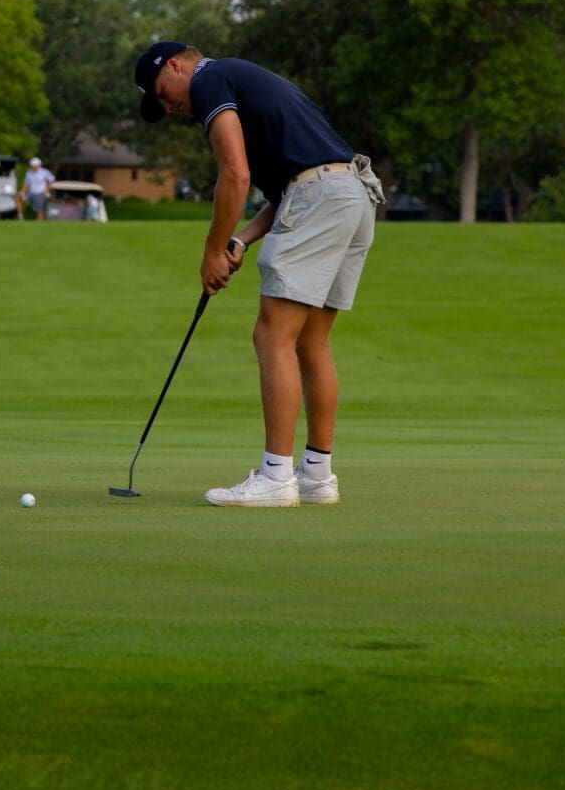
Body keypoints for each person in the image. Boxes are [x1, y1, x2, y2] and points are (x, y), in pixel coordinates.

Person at [133, 42, 385, 508]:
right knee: (311, 341)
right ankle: (316, 473)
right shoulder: (248, 82)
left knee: (272, 336)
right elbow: (295, 185)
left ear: (175, 65)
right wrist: (240, 240)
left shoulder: (209, 78)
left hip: (321, 197)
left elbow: (235, 174)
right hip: (352, 193)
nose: (166, 106)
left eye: (161, 92)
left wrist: (211, 250)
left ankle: (275, 475)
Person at [22, 156, 54, 221]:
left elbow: (51, 180)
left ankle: (39, 223)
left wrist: (46, 190)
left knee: (39, 210)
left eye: (35, 166)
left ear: (39, 165)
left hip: (40, 193)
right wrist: (22, 192)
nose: (34, 167)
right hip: (30, 193)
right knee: (18, 198)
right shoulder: (29, 173)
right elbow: (26, 184)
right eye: (33, 166)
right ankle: (20, 217)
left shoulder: (45, 172)